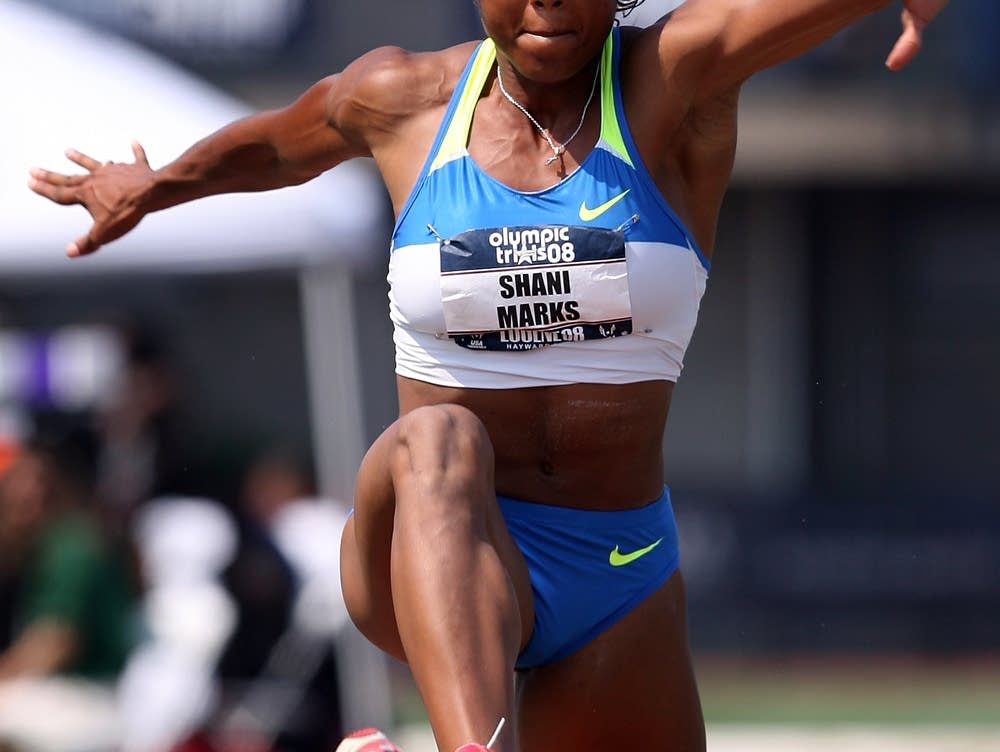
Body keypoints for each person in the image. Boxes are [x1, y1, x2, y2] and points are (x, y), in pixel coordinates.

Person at [28, 0, 948, 749]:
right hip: (423, 542)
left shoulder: (674, 80)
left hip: (617, 570)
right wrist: (158, 186)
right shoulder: (402, 99)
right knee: (439, 439)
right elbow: (277, 145)